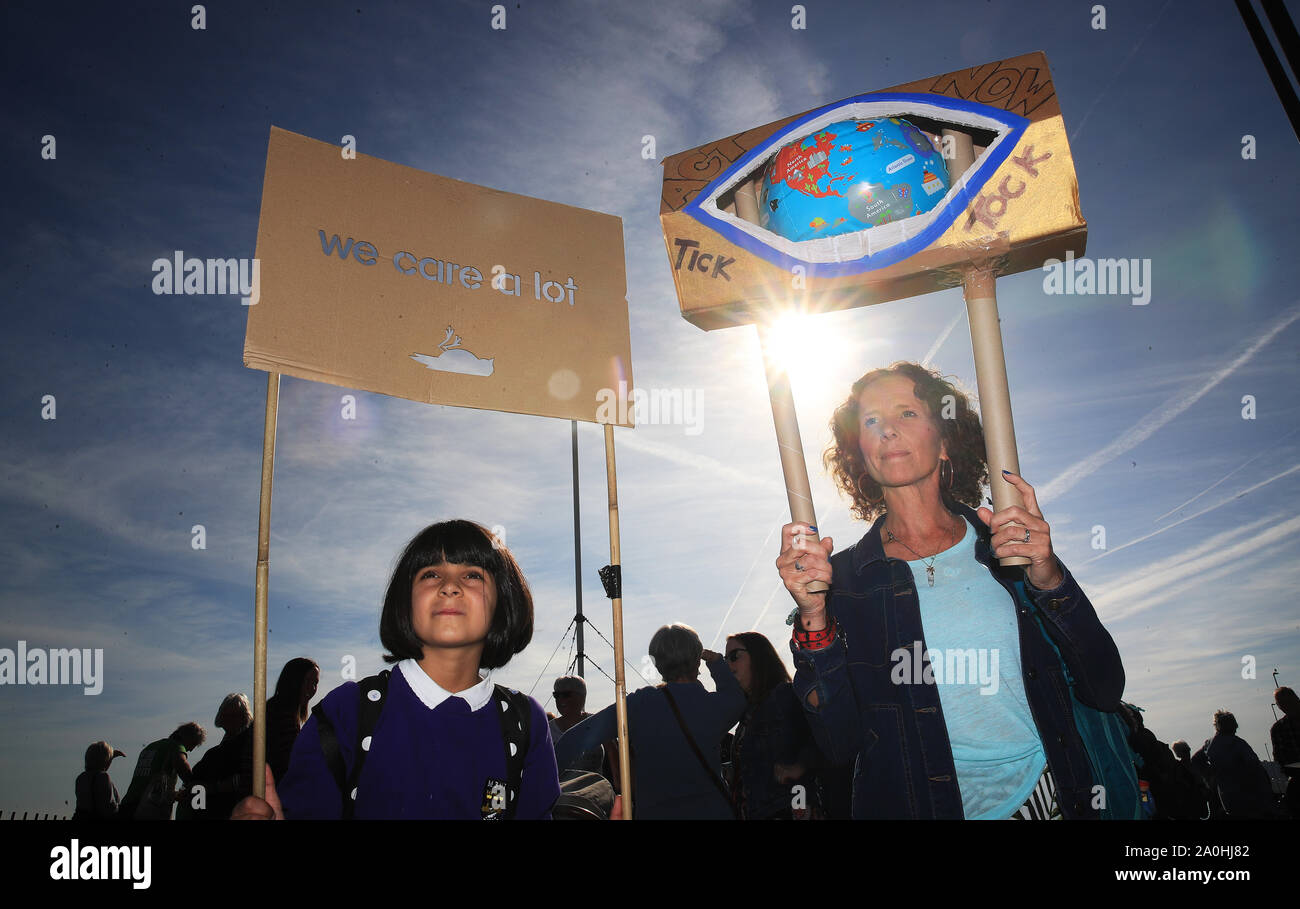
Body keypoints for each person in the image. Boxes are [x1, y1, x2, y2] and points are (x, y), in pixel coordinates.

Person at [777, 362, 1127, 819]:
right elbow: (839, 742)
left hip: (1050, 799)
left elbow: (1104, 687)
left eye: (906, 413)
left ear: (945, 442)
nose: (886, 430)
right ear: (859, 453)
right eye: (871, 421)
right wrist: (813, 616)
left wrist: (1048, 575)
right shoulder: (843, 581)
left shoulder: (1009, 551)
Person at [233, 519, 559, 819]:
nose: (449, 585)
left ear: (504, 600)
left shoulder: (525, 723)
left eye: (472, 574)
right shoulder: (346, 712)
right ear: (405, 601)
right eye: (430, 574)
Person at [554, 623, 746, 819]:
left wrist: (544, 785)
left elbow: (576, 739)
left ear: (657, 664)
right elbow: (737, 698)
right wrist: (716, 662)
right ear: (697, 660)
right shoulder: (714, 707)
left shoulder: (640, 704)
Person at [724, 631, 822, 819]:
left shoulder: (783, 695)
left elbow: (819, 738)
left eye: (734, 656)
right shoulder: (747, 714)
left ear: (759, 657)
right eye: (725, 659)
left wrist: (799, 766)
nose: (728, 665)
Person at [1193, 709, 1280, 819]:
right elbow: (1255, 769)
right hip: (1250, 797)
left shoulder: (1209, 744)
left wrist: (1209, 775)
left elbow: (1196, 759)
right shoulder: (1238, 744)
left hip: (1227, 797)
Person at [180, 693, 253, 820]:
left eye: (234, 716)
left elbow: (251, 778)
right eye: (227, 716)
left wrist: (212, 788)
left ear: (243, 717)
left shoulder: (249, 747)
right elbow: (195, 786)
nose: (229, 720)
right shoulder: (213, 755)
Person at [119, 723, 206, 820]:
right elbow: (184, 768)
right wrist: (198, 786)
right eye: (194, 744)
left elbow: (149, 781)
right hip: (149, 809)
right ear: (189, 738)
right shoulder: (176, 747)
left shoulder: (151, 747)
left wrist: (174, 794)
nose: (191, 750)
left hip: (128, 805)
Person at [265, 658, 319, 783]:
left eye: (315, 683)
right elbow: (289, 762)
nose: (311, 688)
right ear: (293, 681)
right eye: (306, 681)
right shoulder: (280, 713)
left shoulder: (281, 710)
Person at [549, 676, 604, 774]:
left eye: (566, 694)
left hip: (594, 787)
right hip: (560, 788)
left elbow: (616, 764)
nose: (560, 699)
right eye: (556, 695)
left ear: (581, 696)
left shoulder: (598, 723)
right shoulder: (547, 731)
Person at [72, 741, 126, 820]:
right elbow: (109, 806)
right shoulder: (103, 777)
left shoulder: (81, 778)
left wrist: (110, 756)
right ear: (106, 761)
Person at [1270, 687, 1300, 818]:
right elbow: (1281, 759)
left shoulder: (1279, 728)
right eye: (1282, 704)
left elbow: (1281, 760)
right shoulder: (1278, 729)